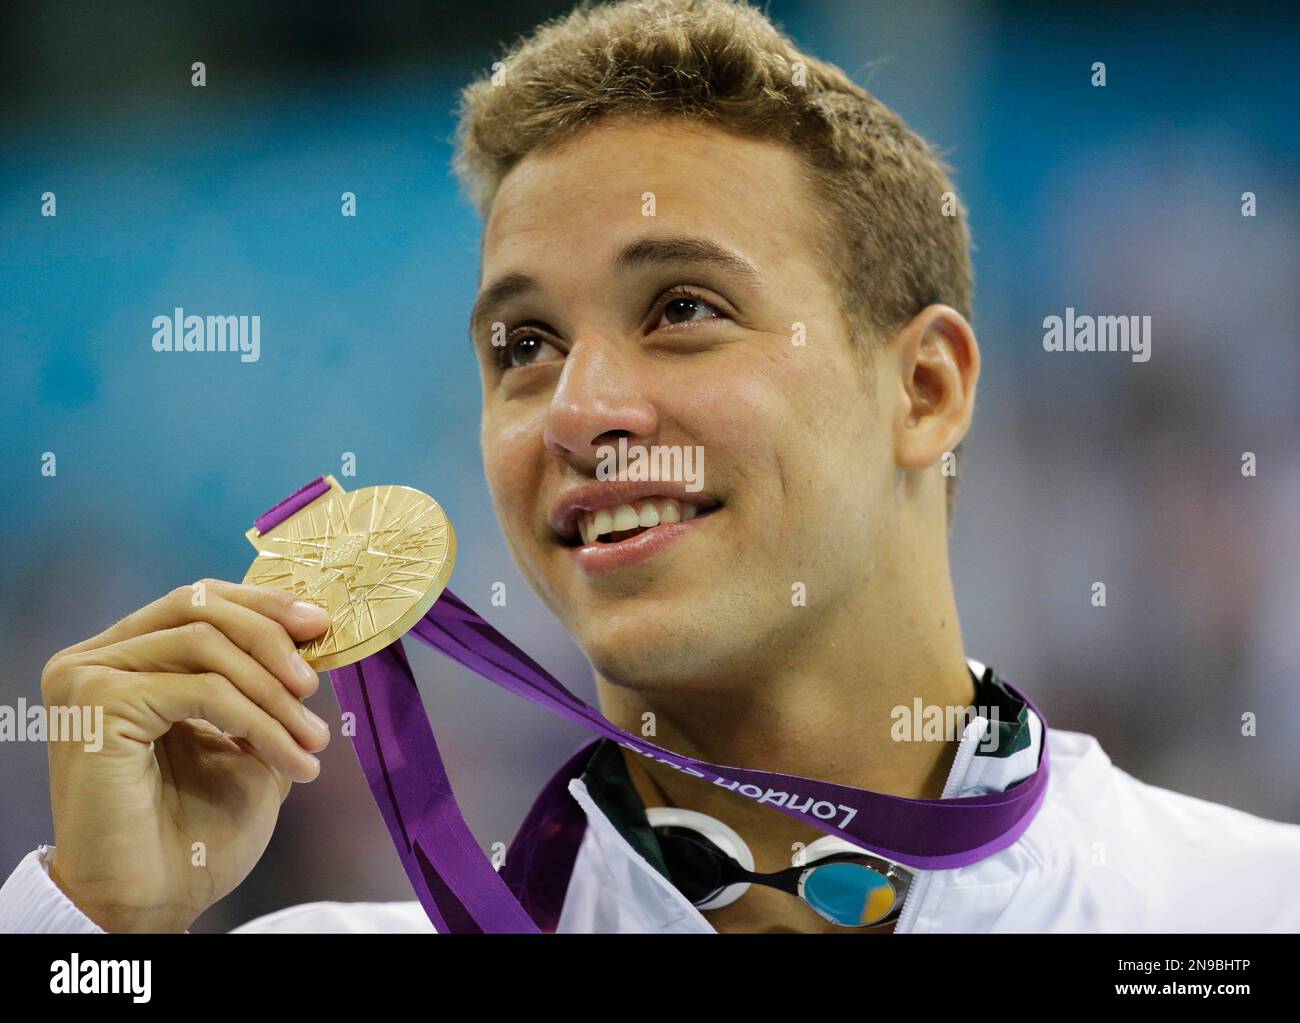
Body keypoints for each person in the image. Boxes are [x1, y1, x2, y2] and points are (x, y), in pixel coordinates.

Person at [3, 0, 1297, 935]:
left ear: (926, 387)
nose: (581, 407)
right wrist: (95, 932)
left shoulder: (1239, 915)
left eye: (682, 308)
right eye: (523, 345)